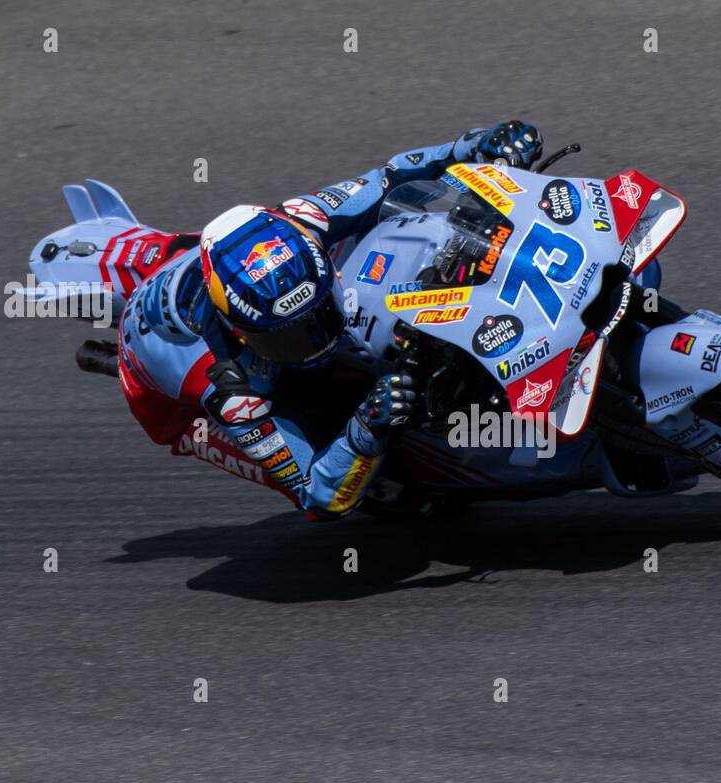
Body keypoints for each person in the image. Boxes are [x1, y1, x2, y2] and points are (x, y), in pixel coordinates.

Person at [116, 122, 543, 518]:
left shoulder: (303, 219)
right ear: (240, 331)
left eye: (318, 316)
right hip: (161, 388)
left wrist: (475, 146)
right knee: (335, 452)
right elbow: (316, 496)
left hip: (208, 268)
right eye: (289, 337)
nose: (314, 340)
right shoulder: (231, 391)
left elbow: (390, 177)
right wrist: (364, 426)